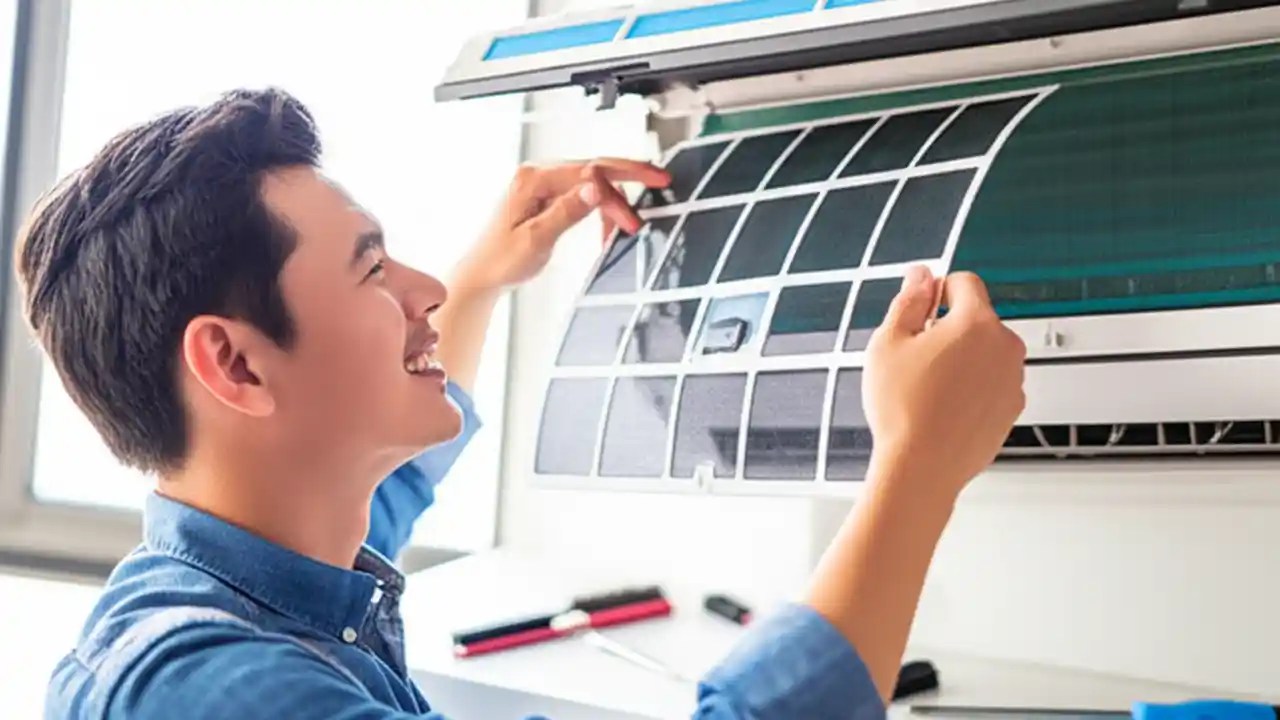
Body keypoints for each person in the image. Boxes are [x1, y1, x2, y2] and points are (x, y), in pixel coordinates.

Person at [18, 88, 1025, 720]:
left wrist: (488, 277)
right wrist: (916, 467)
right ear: (235, 367)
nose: (428, 293)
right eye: (372, 269)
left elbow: (382, 480)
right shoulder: (214, 691)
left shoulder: (244, 576)